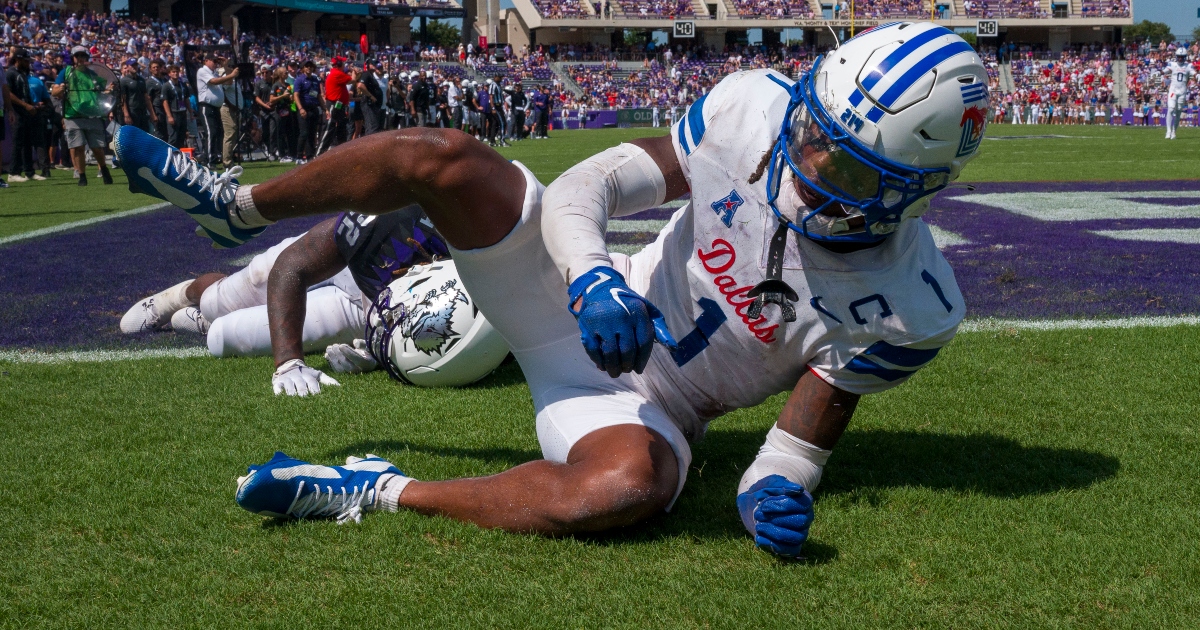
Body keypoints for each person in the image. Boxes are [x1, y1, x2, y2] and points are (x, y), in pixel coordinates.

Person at [114, 23, 984, 559]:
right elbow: (585, 190)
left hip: (641, 408)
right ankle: (238, 207)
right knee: (442, 157)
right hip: (575, 304)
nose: (807, 166)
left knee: (624, 490)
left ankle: (375, 487)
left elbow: (798, 446)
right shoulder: (752, 109)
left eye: (845, 167)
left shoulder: (915, 304)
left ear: (913, 188)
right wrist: (596, 274)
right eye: (813, 133)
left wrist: (772, 487)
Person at [118, 205, 449, 395]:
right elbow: (294, 265)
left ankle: (206, 323)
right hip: (347, 264)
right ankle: (186, 293)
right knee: (218, 301)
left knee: (220, 338)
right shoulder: (399, 212)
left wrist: (381, 350)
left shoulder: (492, 257)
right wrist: (289, 362)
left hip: (363, 311)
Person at [51, 46, 113, 186]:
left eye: (83, 56)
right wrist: (60, 88)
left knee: (97, 147)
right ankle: (82, 176)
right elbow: (54, 92)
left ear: (86, 58)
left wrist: (109, 91)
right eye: (77, 56)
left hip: (92, 114)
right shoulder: (66, 72)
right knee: (77, 146)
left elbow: (105, 89)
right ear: (73, 58)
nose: (80, 58)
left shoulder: (93, 74)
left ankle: (103, 168)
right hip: (73, 115)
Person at [196, 53, 238, 167]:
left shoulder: (214, 72)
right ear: (206, 61)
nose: (216, 63)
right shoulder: (202, 71)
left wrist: (226, 67)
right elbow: (213, 81)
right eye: (214, 61)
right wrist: (232, 74)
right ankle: (209, 160)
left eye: (217, 61)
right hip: (206, 105)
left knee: (216, 133)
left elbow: (228, 82)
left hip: (215, 107)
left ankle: (212, 157)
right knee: (211, 133)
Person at [5, 48, 37, 183]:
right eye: (25, 60)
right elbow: (9, 93)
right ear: (18, 59)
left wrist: (32, 105)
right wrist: (25, 105)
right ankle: (13, 172)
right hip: (17, 111)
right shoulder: (10, 73)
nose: (27, 63)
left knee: (28, 142)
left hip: (26, 112)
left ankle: (29, 172)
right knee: (17, 142)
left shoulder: (23, 73)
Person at [292, 60, 322, 164]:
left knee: (312, 133)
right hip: (304, 108)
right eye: (307, 66)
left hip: (313, 108)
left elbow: (318, 95)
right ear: (303, 68)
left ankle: (310, 156)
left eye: (310, 66)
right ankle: (299, 156)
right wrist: (300, 108)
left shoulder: (316, 80)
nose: (309, 68)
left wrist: (325, 109)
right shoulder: (299, 80)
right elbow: (296, 95)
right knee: (304, 133)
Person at [1165, 48, 1196, 140]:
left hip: (1182, 91)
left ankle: (1174, 131)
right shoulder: (1173, 64)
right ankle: (1168, 131)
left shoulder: (1188, 65)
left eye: (1182, 57)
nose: (1180, 59)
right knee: (1170, 109)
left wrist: (1197, 75)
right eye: (1179, 57)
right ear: (1176, 56)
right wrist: (1161, 72)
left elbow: (1193, 72)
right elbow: (1166, 70)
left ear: (1185, 57)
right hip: (1173, 90)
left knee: (1178, 111)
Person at [119, 58, 155, 134]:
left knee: (145, 133)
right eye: (132, 65)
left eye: (135, 65)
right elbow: (123, 99)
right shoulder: (124, 81)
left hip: (142, 111)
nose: (134, 67)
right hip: (132, 111)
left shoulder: (141, 80)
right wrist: (126, 115)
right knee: (133, 135)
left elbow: (146, 97)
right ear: (128, 67)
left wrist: (152, 113)